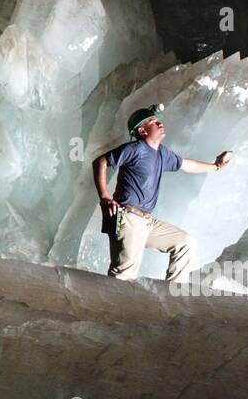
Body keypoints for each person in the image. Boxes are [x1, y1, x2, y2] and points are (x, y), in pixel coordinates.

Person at [91, 105, 233, 283]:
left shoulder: (162, 154)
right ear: (142, 131)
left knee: (185, 243)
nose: (159, 124)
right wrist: (104, 196)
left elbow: (186, 165)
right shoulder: (135, 149)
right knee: (123, 275)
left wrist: (216, 167)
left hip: (146, 221)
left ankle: (171, 296)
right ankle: (107, 308)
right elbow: (100, 162)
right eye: (153, 122)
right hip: (126, 217)